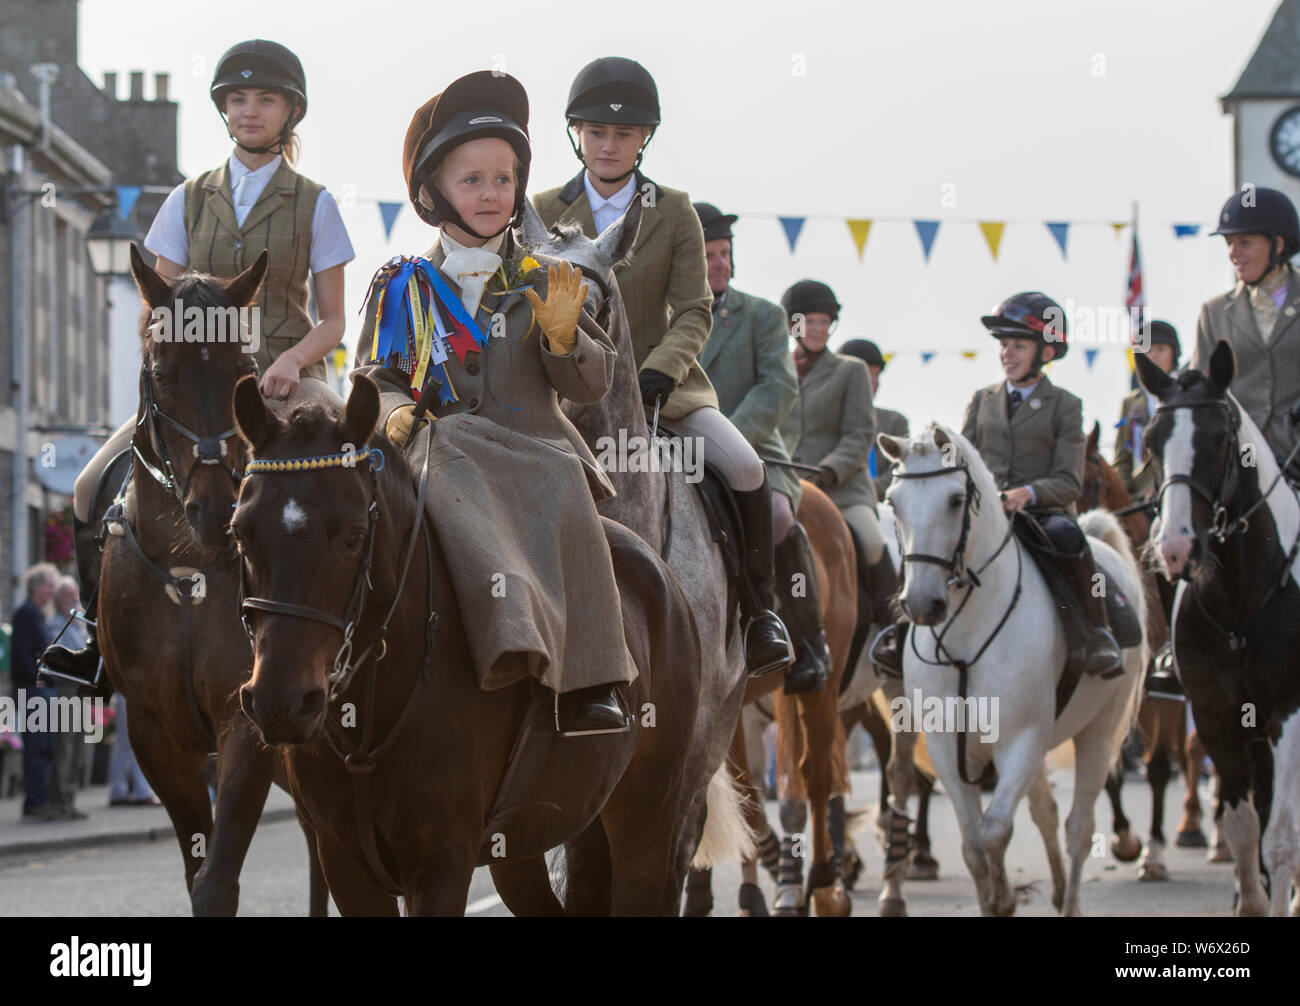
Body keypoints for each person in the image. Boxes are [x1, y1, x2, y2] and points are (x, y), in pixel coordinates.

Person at [43, 38, 354, 685]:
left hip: (288, 383)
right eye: (238, 100)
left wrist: (293, 360)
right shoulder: (184, 199)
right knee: (83, 485)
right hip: (203, 393)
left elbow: (332, 318)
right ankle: (96, 645)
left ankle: (358, 642)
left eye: (264, 100)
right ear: (223, 110)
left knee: (357, 466)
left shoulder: (316, 202)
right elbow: (158, 303)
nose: (249, 111)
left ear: (289, 112)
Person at [352, 70, 636, 736]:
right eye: (471, 180)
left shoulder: (545, 277)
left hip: (536, 458)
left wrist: (566, 338)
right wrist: (393, 409)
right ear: (433, 193)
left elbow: (592, 388)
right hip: (437, 454)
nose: (490, 194)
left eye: (503, 179)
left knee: (567, 471)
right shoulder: (403, 285)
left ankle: (593, 680)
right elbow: (373, 374)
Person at [533, 57, 793, 679]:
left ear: (644, 138)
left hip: (666, 391)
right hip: (562, 395)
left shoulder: (674, 210)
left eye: (623, 135)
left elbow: (696, 309)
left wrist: (657, 370)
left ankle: (760, 612)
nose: (609, 145)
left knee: (747, 467)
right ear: (578, 134)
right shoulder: (540, 209)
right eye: (597, 132)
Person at [874, 292, 1121, 677]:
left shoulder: (1065, 405)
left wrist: (1027, 493)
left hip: (1043, 513)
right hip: (984, 512)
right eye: (1004, 345)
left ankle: (1093, 633)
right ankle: (901, 633)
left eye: (1018, 345)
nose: (1007, 353)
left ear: (1047, 352)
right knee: (926, 540)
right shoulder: (982, 400)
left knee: (1071, 540)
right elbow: (960, 463)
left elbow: (1069, 481)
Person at [692, 201, 828, 692]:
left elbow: (778, 388)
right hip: (675, 451)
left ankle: (804, 640)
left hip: (753, 450)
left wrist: (723, 433)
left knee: (777, 519)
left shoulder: (764, 316)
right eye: (709, 254)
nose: (721, 262)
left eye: (725, 252)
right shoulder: (666, 316)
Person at [777, 282, 896, 637]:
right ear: (792, 326)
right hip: (785, 484)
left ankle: (892, 629)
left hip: (841, 488)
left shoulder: (851, 370)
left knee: (871, 541)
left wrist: (828, 471)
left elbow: (860, 433)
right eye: (810, 321)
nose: (818, 330)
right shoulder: (774, 368)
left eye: (824, 322)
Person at [1193, 186, 1300, 480]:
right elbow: (1201, 395)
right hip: (1238, 464)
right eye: (1229, 243)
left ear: (1277, 245)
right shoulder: (1213, 313)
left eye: (1245, 243)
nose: (1233, 254)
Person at [1114, 321, 1180, 502]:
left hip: (1180, 490)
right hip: (1141, 498)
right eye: (1148, 350)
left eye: (1160, 349)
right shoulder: (1130, 403)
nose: (1154, 356)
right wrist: (1125, 497)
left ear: (1174, 353)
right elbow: (1122, 459)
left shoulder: (1188, 396)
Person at [840, 339, 909, 502]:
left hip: (881, 503)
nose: (873, 382)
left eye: (876, 375)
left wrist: (869, 489)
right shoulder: (822, 418)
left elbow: (902, 467)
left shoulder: (894, 422)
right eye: (866, 374)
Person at [13, 564, 56, 821]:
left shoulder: (39, 615)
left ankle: (41, 798)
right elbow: (23, 657)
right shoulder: (25, 615)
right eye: (49, 586)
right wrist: (41, 678)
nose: (51, 591)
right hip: (31, 691)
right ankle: (34, 802)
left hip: (41, 691)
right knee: (37, 747)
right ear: (36, 588)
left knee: (44, 746)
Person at [45, 578, 88, 820]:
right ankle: (58, 799)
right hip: (67, 688)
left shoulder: (78, 625)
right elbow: (61, 655)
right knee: (65, 746)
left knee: (79, 747)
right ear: (58, 600)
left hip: (81, 688)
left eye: (74, 595)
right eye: (67, 596)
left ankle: (70, 798)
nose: (72, 600)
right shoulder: (56, 625)